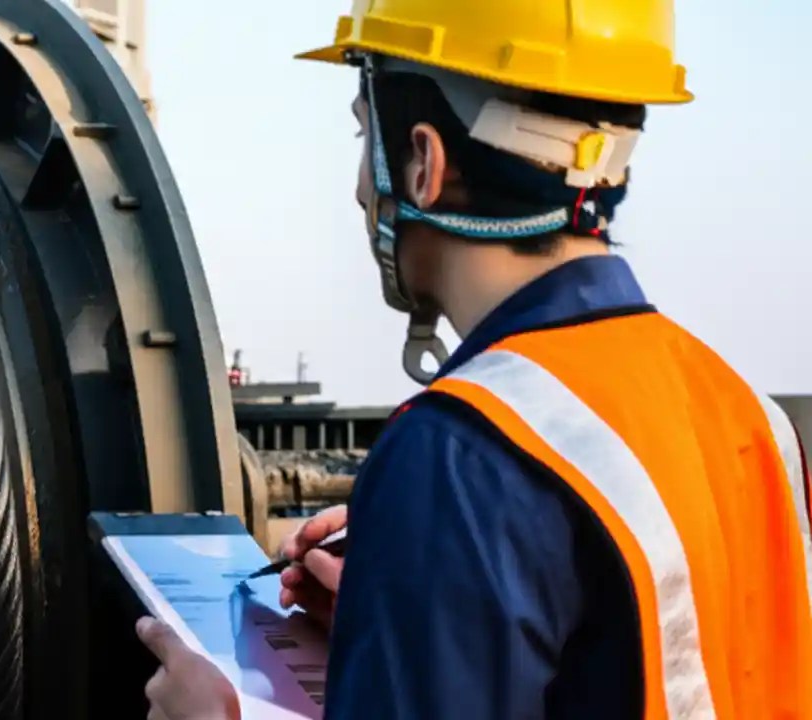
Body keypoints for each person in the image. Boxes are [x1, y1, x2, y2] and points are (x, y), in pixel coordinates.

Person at [136, 0, 812, 717]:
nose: (361, 189)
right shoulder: (746, 414)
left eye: (365, 135)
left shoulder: (460, 453)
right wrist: (404, 633)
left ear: (424, 162)